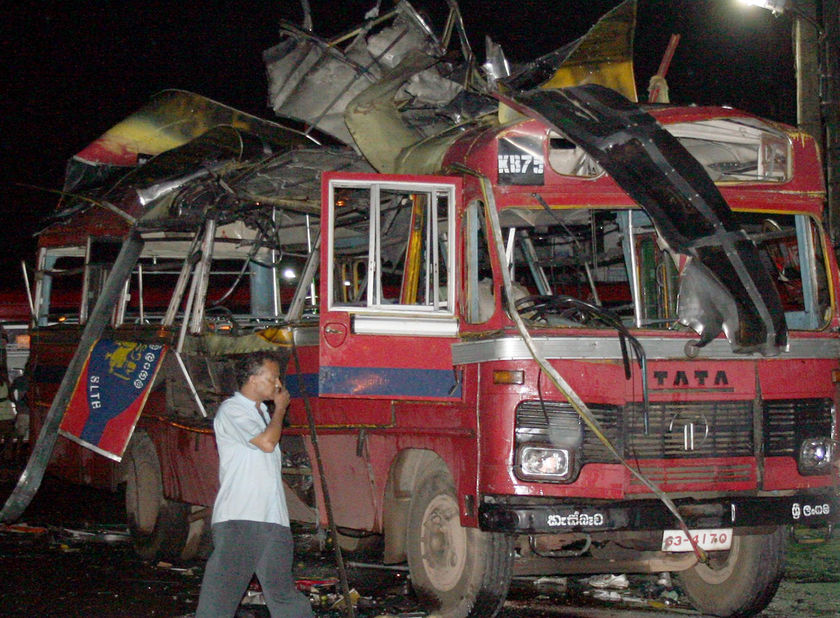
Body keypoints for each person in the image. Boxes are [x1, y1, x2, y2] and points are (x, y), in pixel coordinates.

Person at [196, 351, 313, 617]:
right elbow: (267, 443)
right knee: (220, 600)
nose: (278, 384)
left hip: (272, 520)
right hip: (242, 518)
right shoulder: (233, 410)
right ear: (252, 380)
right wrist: (280, 409)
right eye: (272, 377)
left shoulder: (260, 414)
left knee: (284, 596)